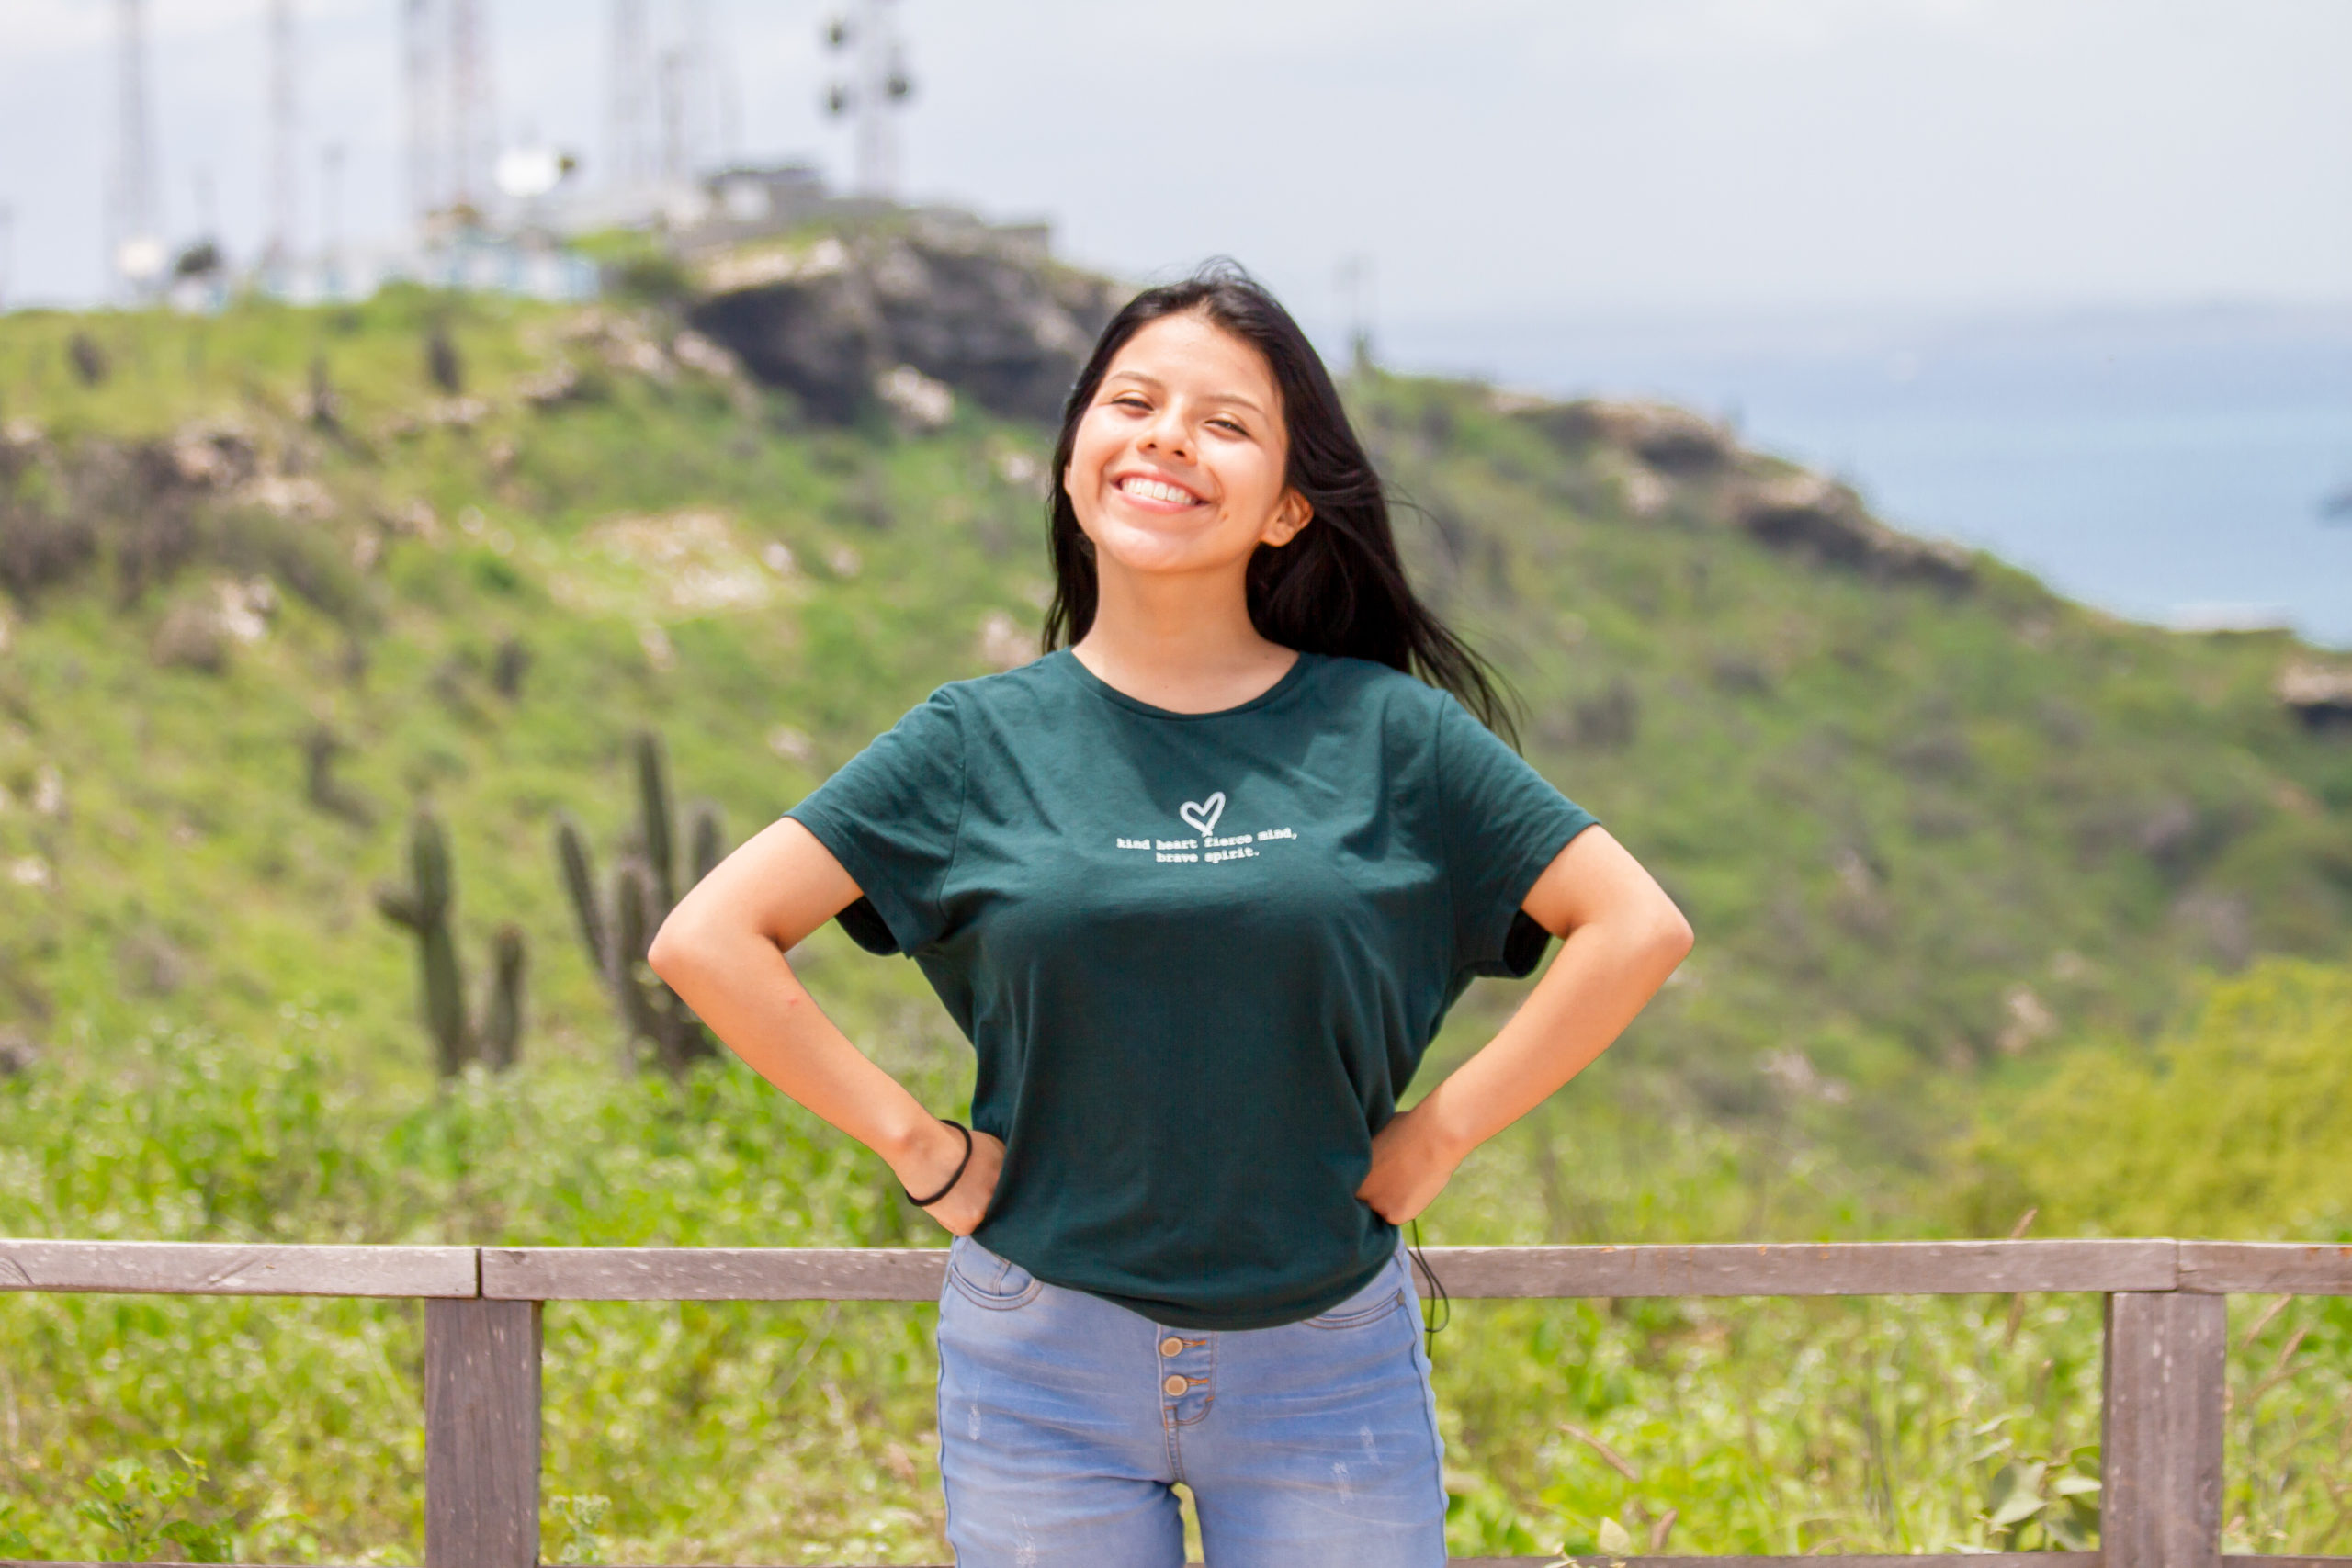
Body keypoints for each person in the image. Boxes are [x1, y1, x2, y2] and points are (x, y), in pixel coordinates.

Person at [649, 264, 1693, 1567]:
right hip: (1041, 1359)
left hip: (1326, 1365)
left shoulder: (1390, 734)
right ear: (1074, 456)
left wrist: (1443, 1134)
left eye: (1226, 423)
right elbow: (706, 940)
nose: (1167, 439)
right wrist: (919, 1150)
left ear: (1289, 506)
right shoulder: (974, 742)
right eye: (1132, 403)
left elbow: (1635, 925)